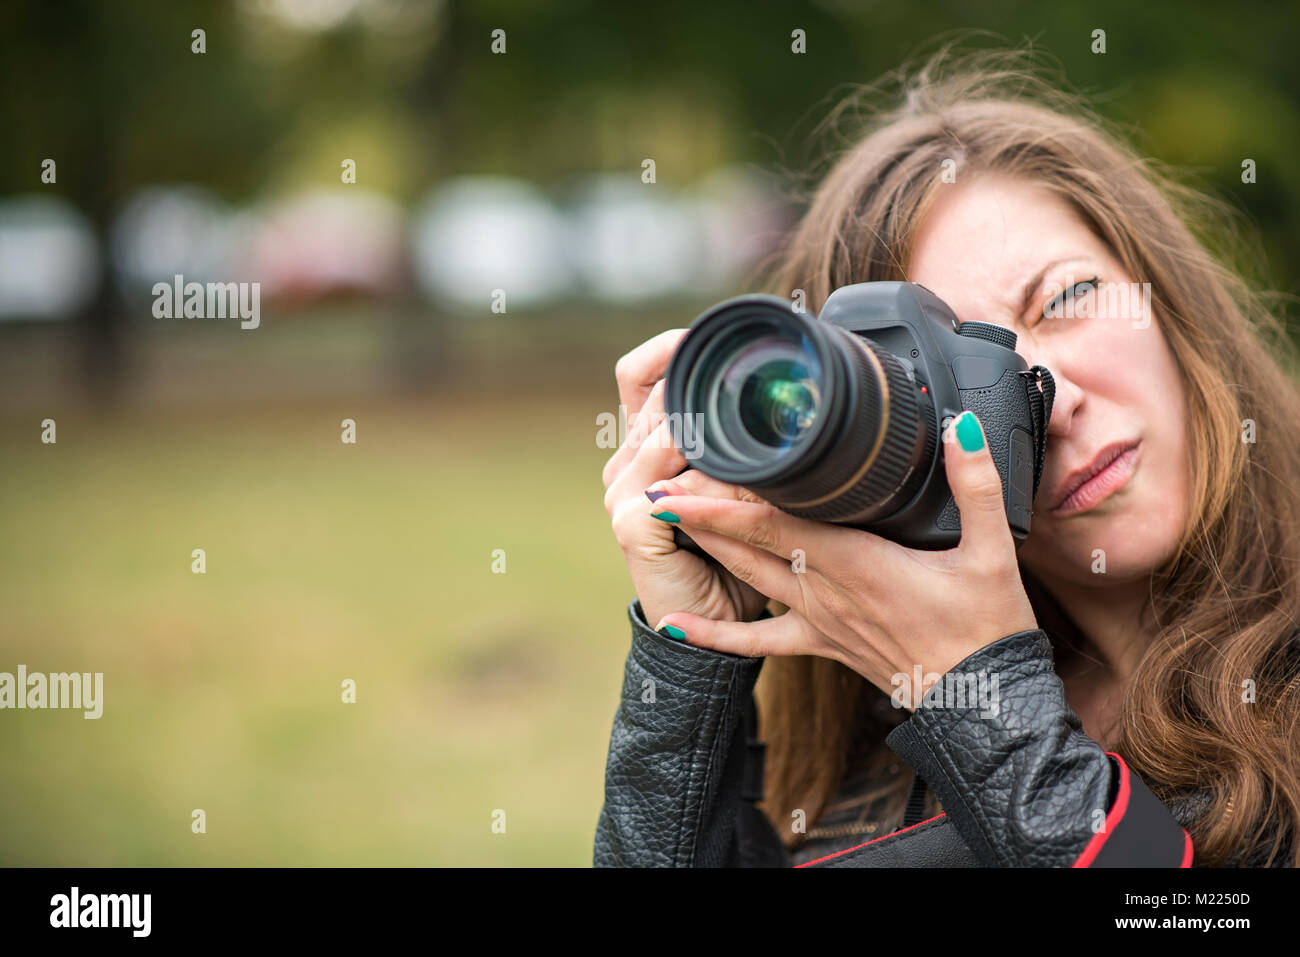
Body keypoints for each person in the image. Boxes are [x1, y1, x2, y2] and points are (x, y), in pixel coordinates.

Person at [594, 47, 1300, 867]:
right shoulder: (880, 769)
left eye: (1067, 297)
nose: (1057, 400)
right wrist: (690, 673)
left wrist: (977, 694)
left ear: (1165, 296)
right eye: (963, 375)